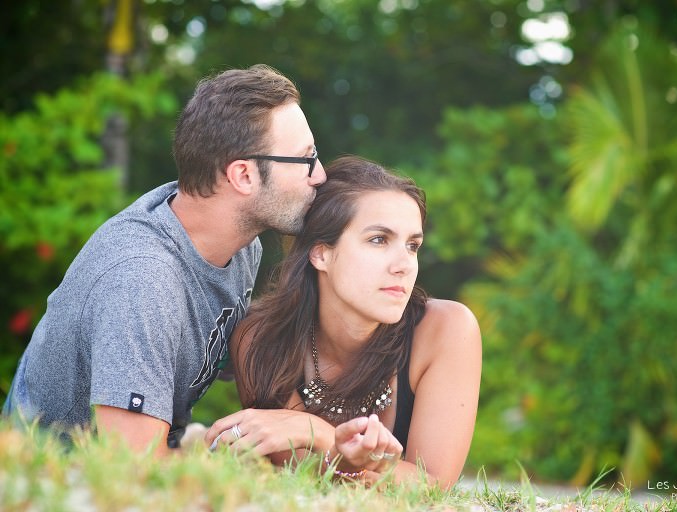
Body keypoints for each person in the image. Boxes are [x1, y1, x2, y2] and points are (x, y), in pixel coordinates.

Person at [2, 64, 327, 454]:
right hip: (56, 485)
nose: (320, 175)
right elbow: (136, 471)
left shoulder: (238, 244)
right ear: (242, 176)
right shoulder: (141, 280)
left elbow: (245, 350)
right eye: (304, 159)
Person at [204, 156, 482, 489]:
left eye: (412, 246)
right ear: (321, 253)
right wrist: (346, 457)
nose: (404, 265)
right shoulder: (261, 338)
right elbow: (299, 475)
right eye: (379, 239)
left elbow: (432, 485)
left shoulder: (445, 330)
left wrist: (317, 433)